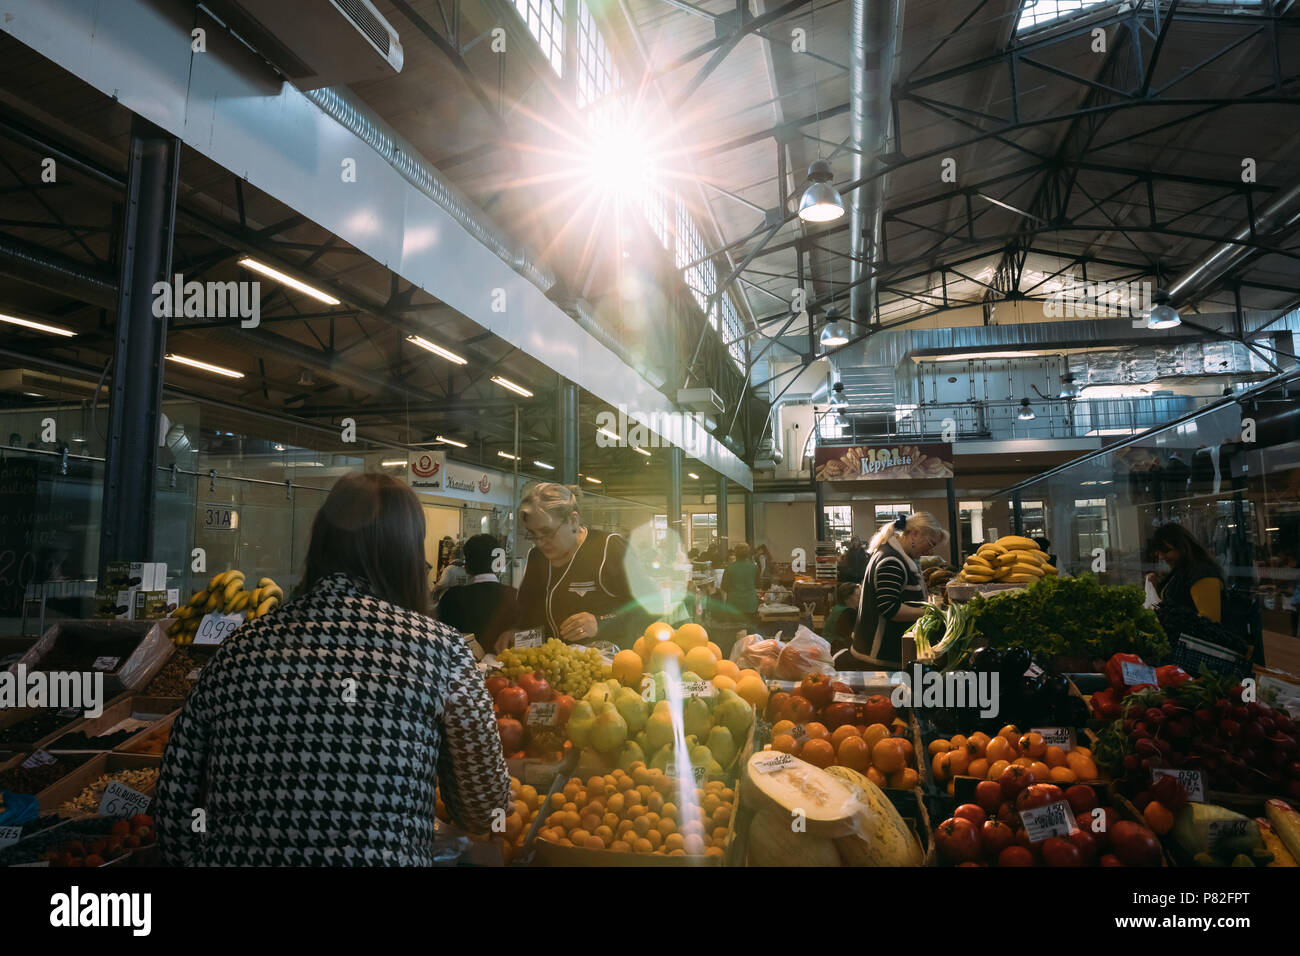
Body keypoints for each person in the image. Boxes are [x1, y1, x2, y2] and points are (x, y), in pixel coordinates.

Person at [154, 473, 510, 866]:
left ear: (319, 543)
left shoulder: (237, 649)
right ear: (406, 553)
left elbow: (173, 804)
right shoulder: (442, 651)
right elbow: (484, 805)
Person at [515, 482, 651, 649]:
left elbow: (650, 605)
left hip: (608, 666)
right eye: (533, 534)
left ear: (573, 520)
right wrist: (514, 631)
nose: (541, 542)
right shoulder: (536, 557)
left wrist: (600, 622)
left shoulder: (608, 549)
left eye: (547, 532)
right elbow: (526, 611)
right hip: (549, 667)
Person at [836, 513, 949, 671]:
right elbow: (890, 609)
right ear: (915, 534)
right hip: (880, 656)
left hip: (886, 654)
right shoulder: (891, 561)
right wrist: (930, 612)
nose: (929, 551)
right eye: (930, 544)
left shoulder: (897, 556)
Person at [436, 533, 519, 653]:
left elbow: (442, 640)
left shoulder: (451, 597)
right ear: (498, 563)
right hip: (506, 668)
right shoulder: (515, 596)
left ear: (466, 566)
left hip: (463, 669)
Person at [1147, 523, 1223, 622]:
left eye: (1166, 551)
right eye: (1159, 552)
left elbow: (1210, 621)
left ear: (1182, 547)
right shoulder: (1182, 569)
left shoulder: (1203, 574)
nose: (1161, 557)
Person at [721, 543, 759, 624]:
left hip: (734, 604)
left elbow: (724, 587)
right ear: (748, 554)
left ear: (735, 554)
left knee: (735, 630)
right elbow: (759, 584)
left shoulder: (729, 568)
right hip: (750, 604)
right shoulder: (754, 567)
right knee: (750, 630)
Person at [824, 581, 860, 653]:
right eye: (858, 596)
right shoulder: (848, 612)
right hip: (836, 649)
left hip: (828, 646)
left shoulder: (837, 608)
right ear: (848, 598)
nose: (860, 599)